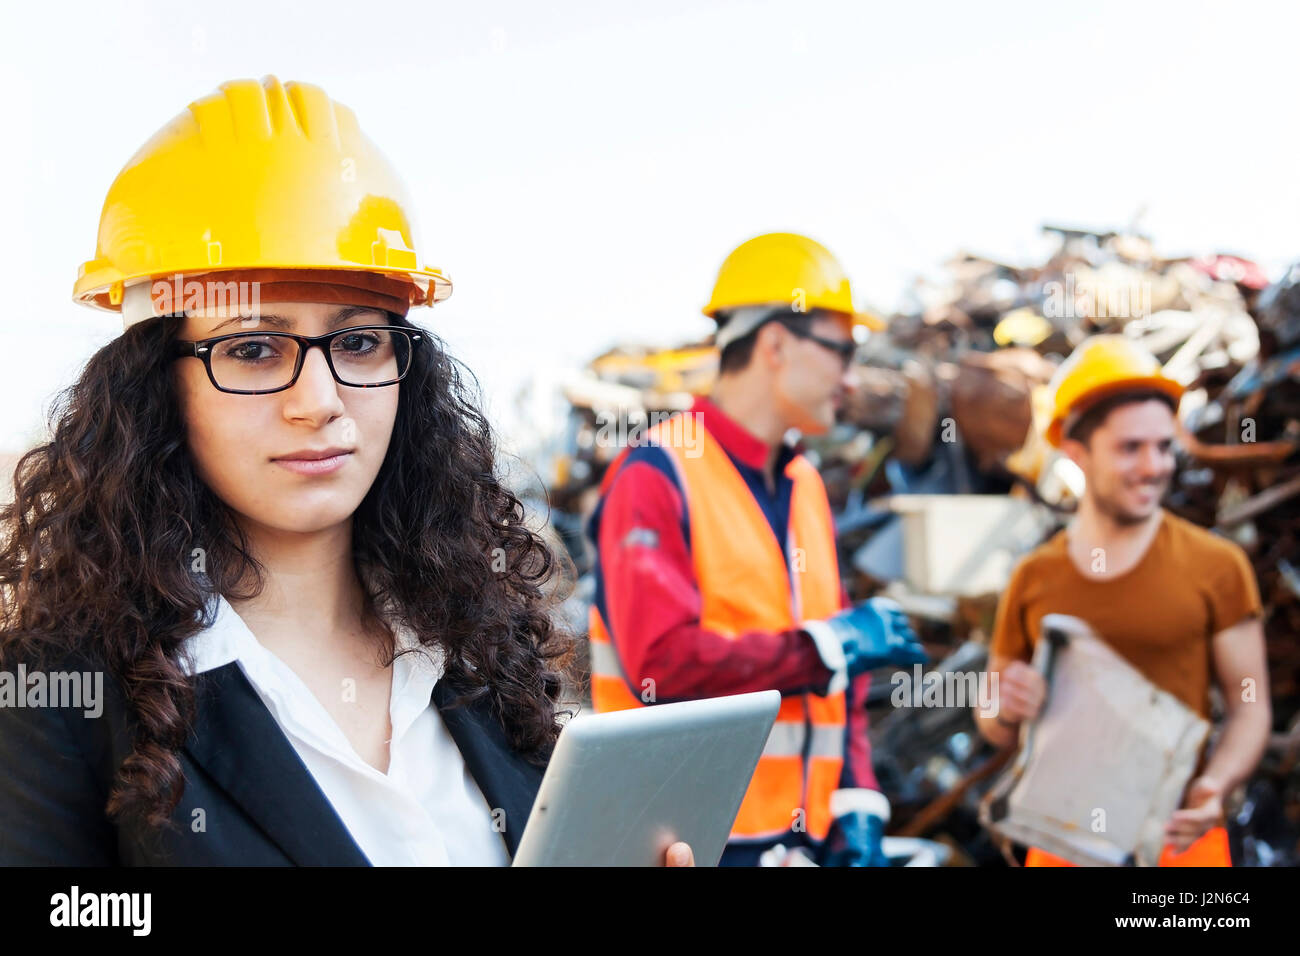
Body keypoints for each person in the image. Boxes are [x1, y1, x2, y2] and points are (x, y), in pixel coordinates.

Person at [0, 75, 693, 867]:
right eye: (254, 349)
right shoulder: (54, 698)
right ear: (153, 386)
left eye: (360, 343)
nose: (320, 401)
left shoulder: (479, 649)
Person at [586, 232, 927, 867]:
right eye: (842, 353)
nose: (851, 380)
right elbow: (664, 667)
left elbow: (840, 683)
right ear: (774, 343)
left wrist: (857, 805)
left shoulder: (805, 486)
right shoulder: (655, 475)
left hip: (802, 846)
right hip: (688, 847)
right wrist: (827, 647)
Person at [976, 335, 1271, 866]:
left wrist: (1215, 787)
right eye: (1130, 448)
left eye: (1163, 446)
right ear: (1075, 450)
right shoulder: (1035, 576)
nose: (1154, 466)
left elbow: (1250, 705)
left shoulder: (1218, 566)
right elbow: (995, 722)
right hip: (1062, 843)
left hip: (1179, 845)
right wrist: (1002, 706)